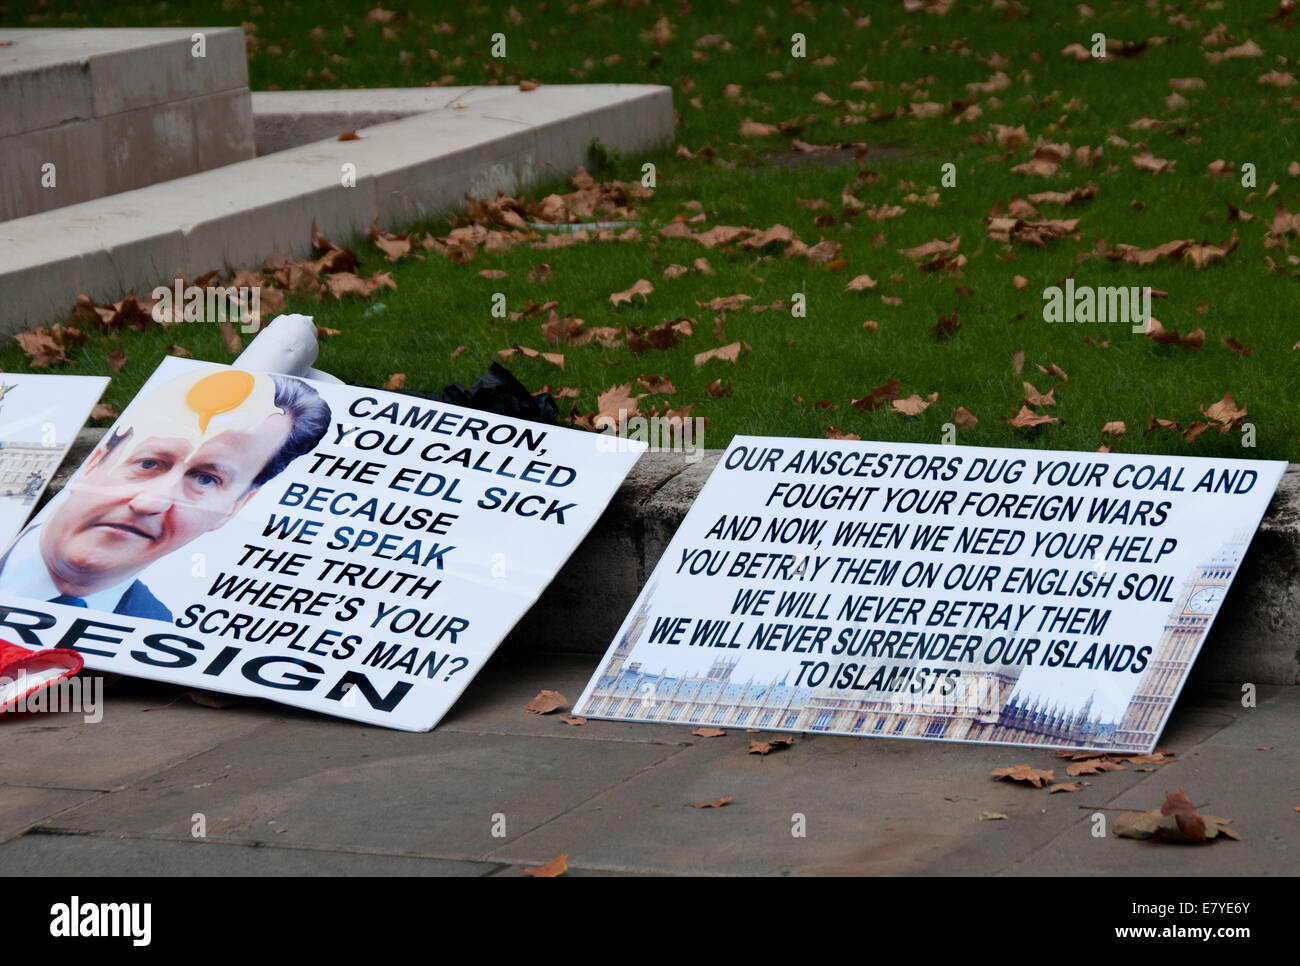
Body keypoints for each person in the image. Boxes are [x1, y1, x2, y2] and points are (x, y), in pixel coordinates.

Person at [0, 367, 331, 622]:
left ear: (234, 507)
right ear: (95, 461)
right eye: (149, 463)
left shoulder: (161, 630)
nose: (149, 503)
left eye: (204, 479)